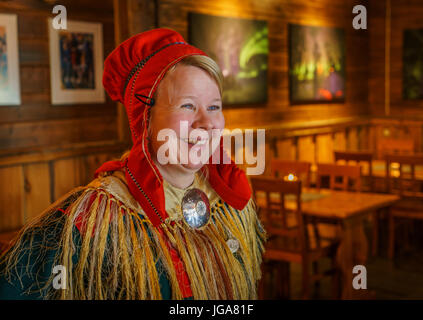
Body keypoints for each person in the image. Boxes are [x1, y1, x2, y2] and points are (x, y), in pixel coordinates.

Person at [0, 28, 266, 300]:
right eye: (187, 106)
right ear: (145, 119)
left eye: (214, 107)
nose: (207, 123)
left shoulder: (231, 204)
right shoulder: (91, 222)